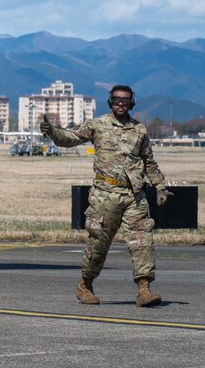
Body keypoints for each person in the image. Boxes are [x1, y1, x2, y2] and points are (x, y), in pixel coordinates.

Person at [42, 84, 170, 307]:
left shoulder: (139, 130)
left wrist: (159, 185)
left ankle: (144, 289)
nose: (121, 103)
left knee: (143, 241)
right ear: (110, 101)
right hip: (105, 195)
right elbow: (71, 138)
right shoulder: (97, 125)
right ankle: (85, 285)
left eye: (126, 100)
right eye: (117, 99)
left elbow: (149, 161)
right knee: (98, 244)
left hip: (134, 196)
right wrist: (53, 132)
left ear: (132, 103)